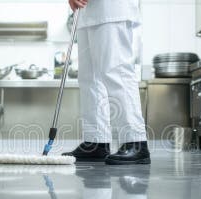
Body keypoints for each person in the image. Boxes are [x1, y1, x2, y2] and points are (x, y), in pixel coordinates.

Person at [62, 0, 150, 165]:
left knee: (116, 71)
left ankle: (135, 141)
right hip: (86, 13)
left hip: (111, 8)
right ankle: (96, 141)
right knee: (89, 78)